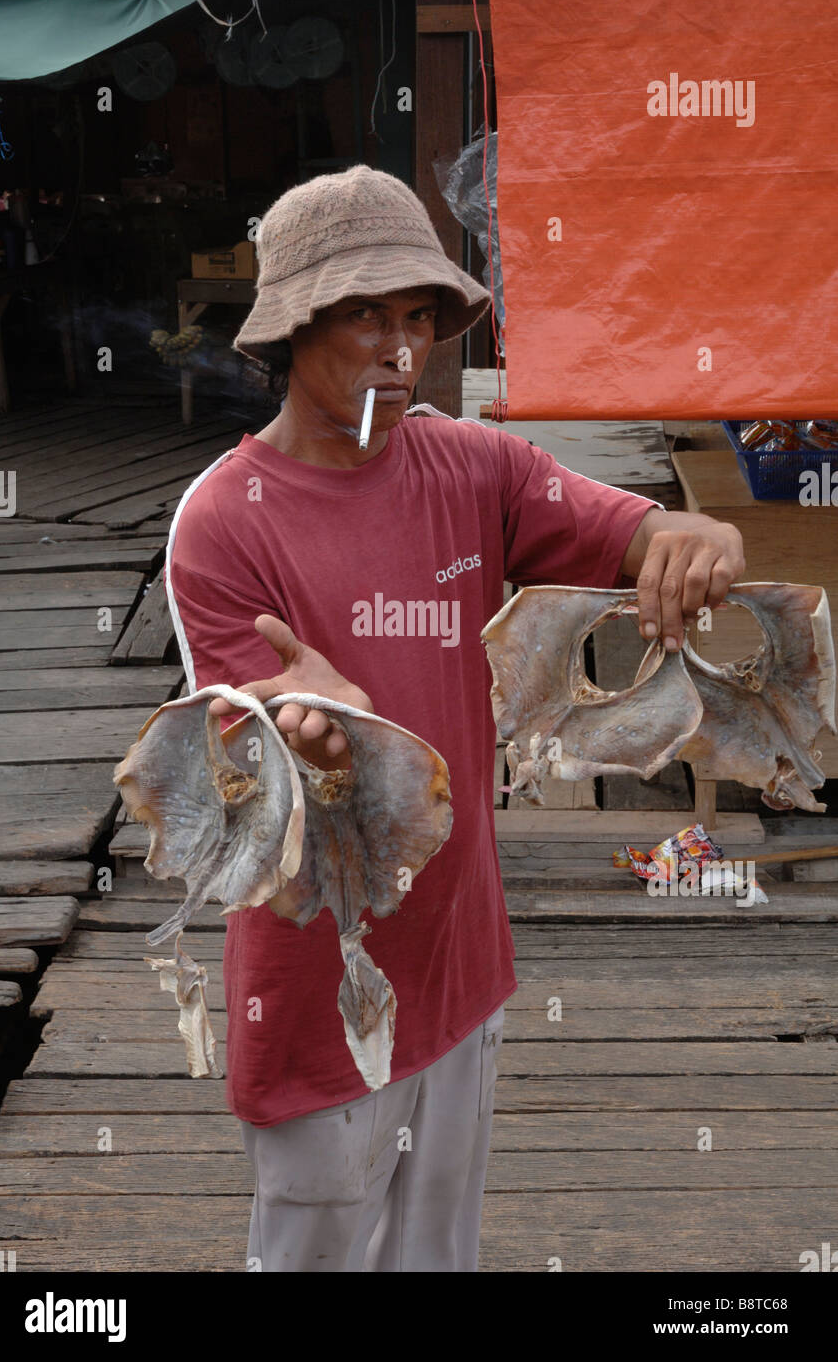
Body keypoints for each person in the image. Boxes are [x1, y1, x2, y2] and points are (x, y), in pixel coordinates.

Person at [164, 165, 745, 1272]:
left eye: (417, 315)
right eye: (364, 315)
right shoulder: (223, 522)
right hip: (316, 979)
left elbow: (634, 537)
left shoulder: (478, 468)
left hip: (461, 960)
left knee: (436, 1257)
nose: (400, 346)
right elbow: (228, 754)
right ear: (292, 329)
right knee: (315, 1254)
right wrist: (291, 730)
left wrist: (692, 537)